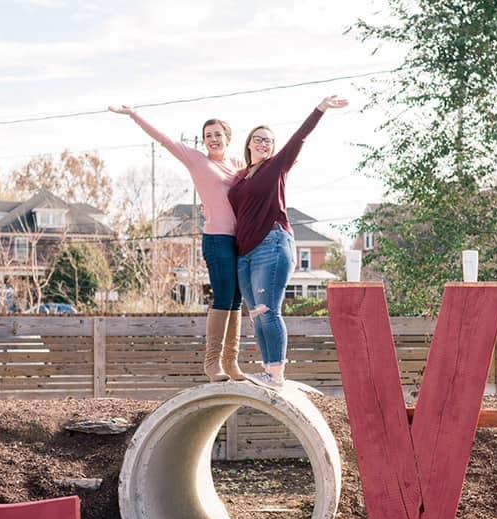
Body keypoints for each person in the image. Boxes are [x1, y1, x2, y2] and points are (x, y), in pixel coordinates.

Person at [110, 105, 246, 382]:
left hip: (240, 240)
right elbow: (165, 140)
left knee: (236, 299)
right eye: (208, 135)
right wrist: (135, 115)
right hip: (216, 238)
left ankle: (232, 362)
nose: (213, 139)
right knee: (223, 297)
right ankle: (213, 364)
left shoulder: (237, 165)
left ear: (228, 138)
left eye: (218, 134)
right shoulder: (197, 160)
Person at [228, 95, 348, 389]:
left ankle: (276, 374)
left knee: (269, 310)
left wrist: (320, 108)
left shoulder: (275, 167)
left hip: (272, 242)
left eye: (268, 140)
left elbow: (299, 137)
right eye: (258, 139)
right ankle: (269, 371)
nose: (263, 144)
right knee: (256, 314)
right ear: (248, 143)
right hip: (244, 253)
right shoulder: (241, 177)